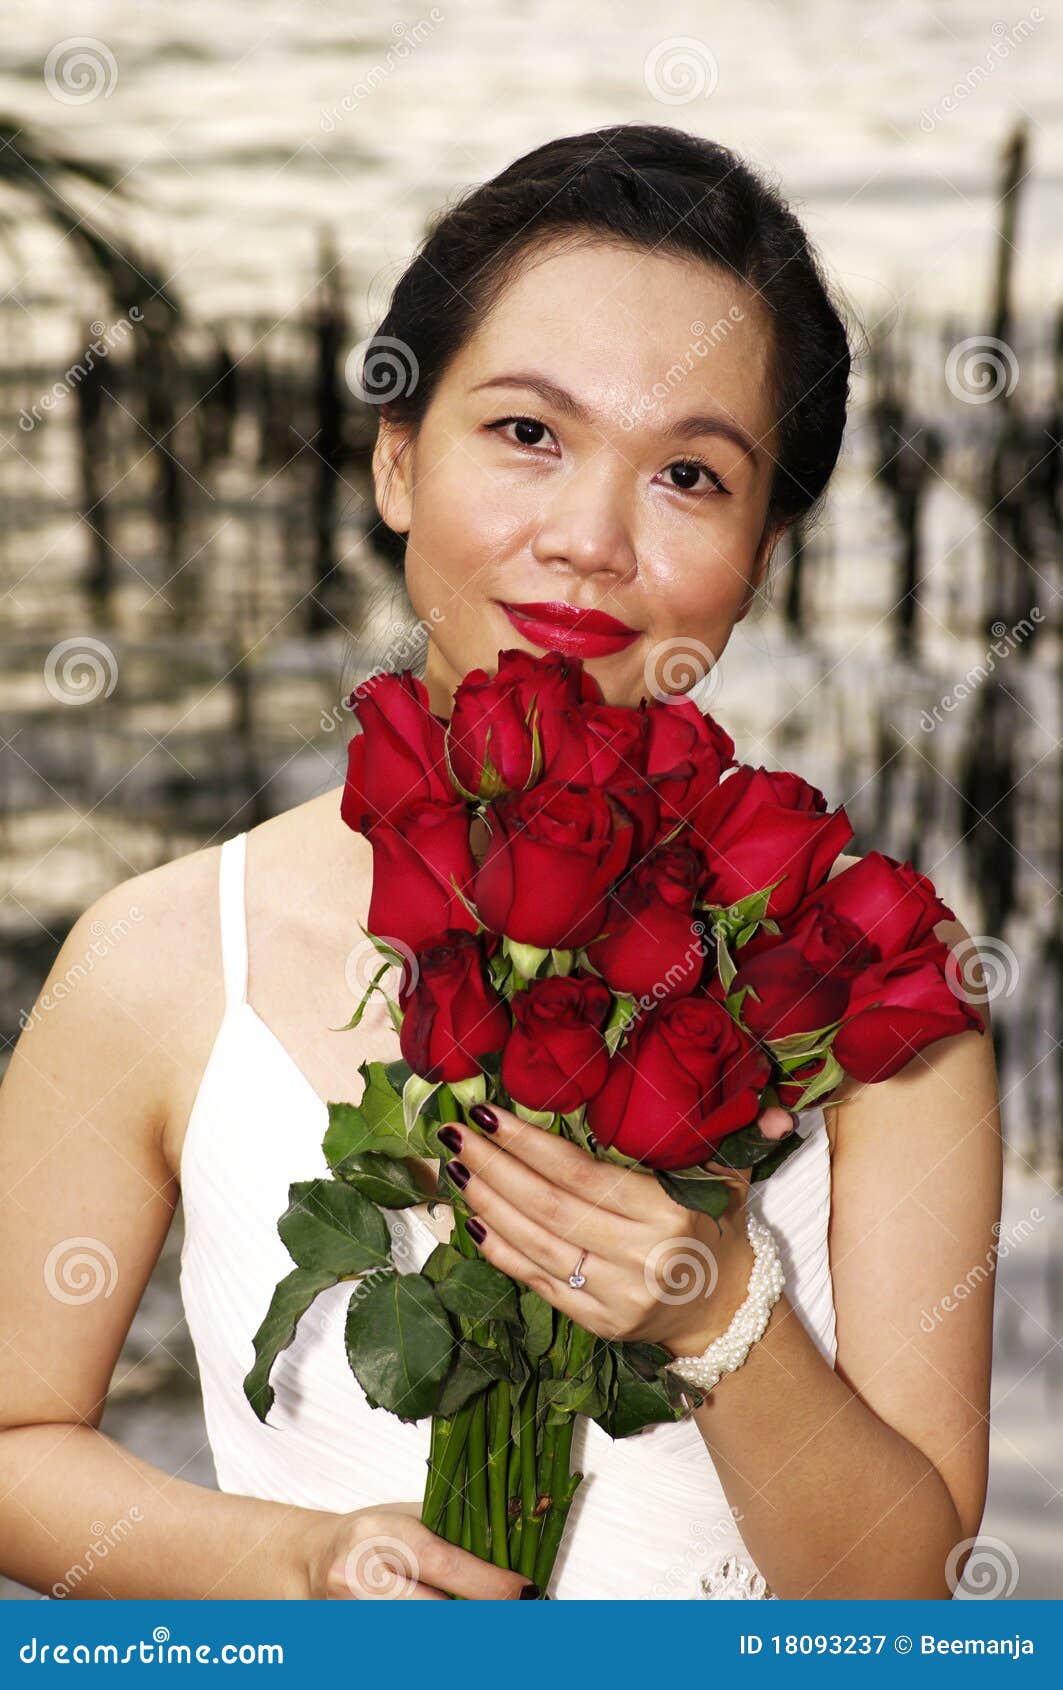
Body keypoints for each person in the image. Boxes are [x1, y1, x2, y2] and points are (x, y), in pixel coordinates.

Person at [0, 123, 1001, 1600]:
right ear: (398, 456)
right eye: (528, 434)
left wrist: (718, 1309)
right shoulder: (160, 954)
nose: (591, 538)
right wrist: (302, 1562)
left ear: (766, 556)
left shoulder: (861, 986)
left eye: (692, 476)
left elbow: (908, 1604)